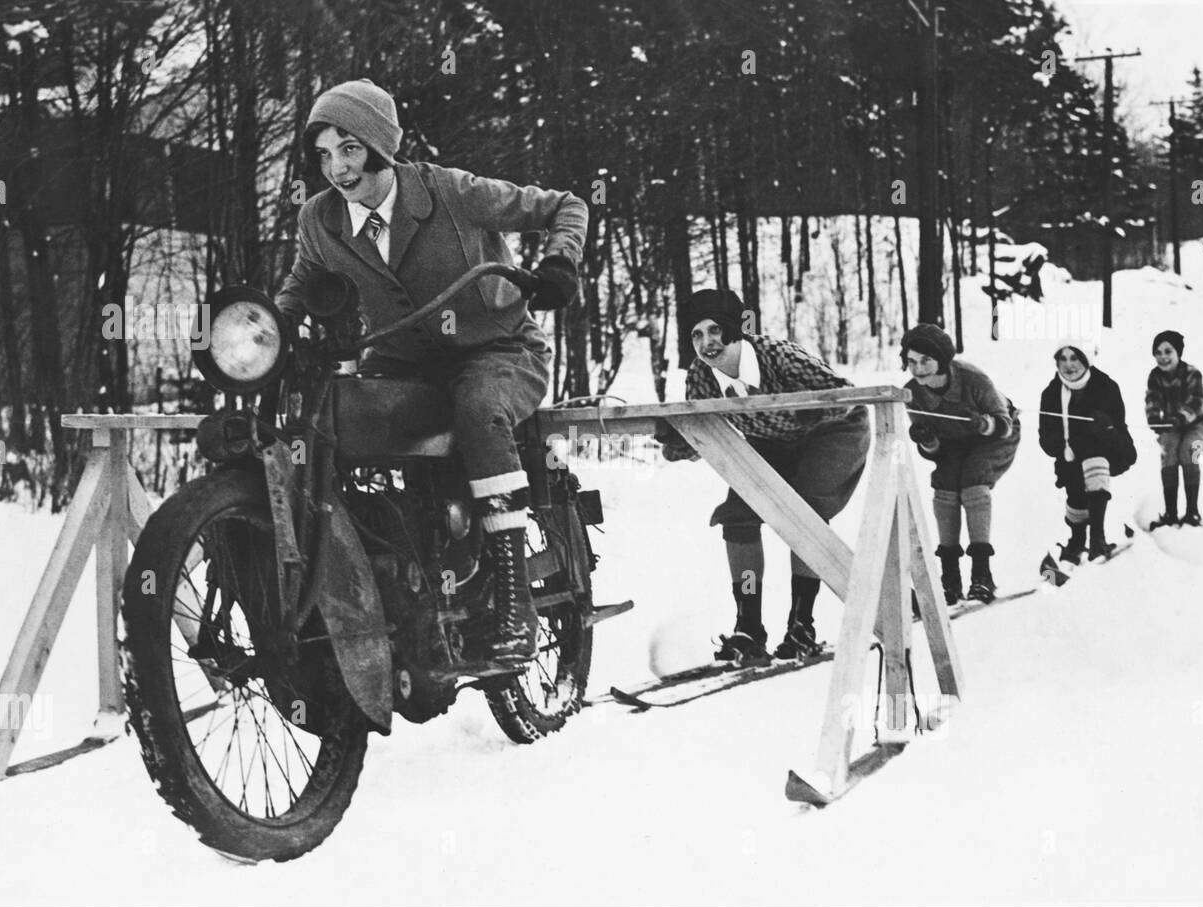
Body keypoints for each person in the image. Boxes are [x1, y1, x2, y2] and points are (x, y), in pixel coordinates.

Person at [275, 80, 589, 661]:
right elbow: (297, 290)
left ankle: (514, 596)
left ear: (378, 145)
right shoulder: (320, 221)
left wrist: (559, 263)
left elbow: (566, 205)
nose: (337, 169)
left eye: (348, 148)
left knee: (477, 410)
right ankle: (395, 568)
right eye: (322, 154)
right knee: (338, 421)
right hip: (401, 364)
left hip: (496, 349)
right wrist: (260, 336)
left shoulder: (450, 191)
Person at [658, 289, 870, 664]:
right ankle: (749, 625)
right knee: (738, 517)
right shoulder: (700, 377)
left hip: (833, 432)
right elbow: (700, 432)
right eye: (697, 335)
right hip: (771, 440)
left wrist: (812, 410)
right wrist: (679, 443)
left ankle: (801, 624)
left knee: (802, 513)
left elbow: (847, 396)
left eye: (714, 331)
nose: (707, 343)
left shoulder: (779, 356)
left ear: (733, 331)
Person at [901, 324, 1020, 604]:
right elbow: (935, 453)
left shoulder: (973, 378)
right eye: (911, 362)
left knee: (973, 479)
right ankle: (950, 579)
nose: (918, 369)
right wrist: (927, 440)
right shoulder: (913, 394)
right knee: (945, 482)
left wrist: (982, 423)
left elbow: (1003, 424)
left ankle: (982, 575)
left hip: (993, 439)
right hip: (954, 444)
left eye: (926, 361)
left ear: (941, 359)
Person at [1037, 338, 1136, 562]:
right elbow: (1045, 439)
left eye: (1074, 358)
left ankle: (1097, 537)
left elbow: (1119, 429)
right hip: (1070, 455)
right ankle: (1078, 538)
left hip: (1109, 449)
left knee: (1093, 457)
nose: (1068, 365)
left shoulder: (1106, 386)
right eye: (1062, 358)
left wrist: (1105, 426)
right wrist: (1060, 444)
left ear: (1086, 360)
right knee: (1074, 478)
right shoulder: (1051, 394)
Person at [1144, 330, 1203, 528]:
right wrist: (1153, 417)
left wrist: (1179, 417)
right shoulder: (1155, 376)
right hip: (1175, 424)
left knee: (1190, 449)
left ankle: (1192, 512)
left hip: (1202, 423)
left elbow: (1196, 404)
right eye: (1158, 352)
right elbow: (1152, 399)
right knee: (1168, 449)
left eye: (1168, 351)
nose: (1163, 357)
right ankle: (1170, 513)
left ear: (1178, 353)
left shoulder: (1192, 374)